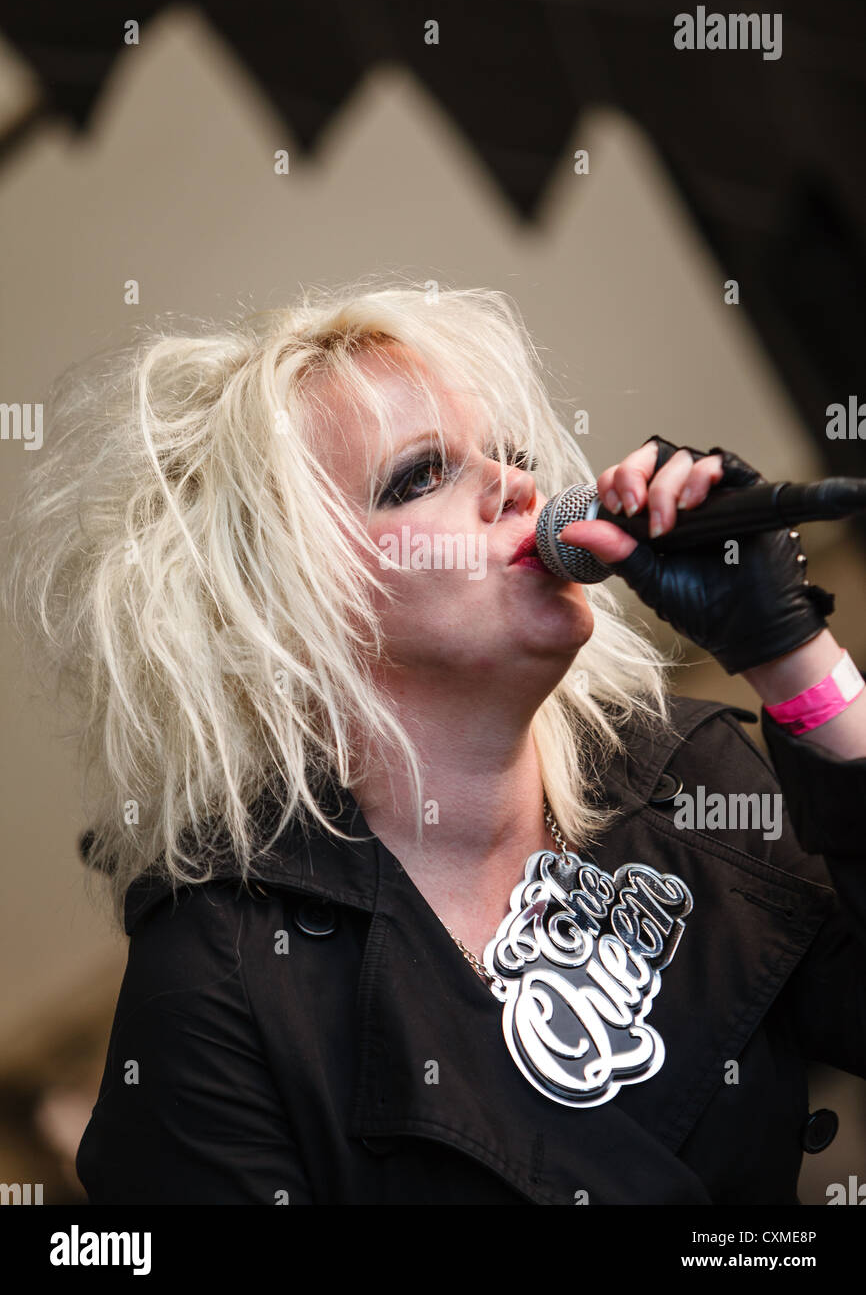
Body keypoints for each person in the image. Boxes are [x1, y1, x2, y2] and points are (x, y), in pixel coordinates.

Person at [5, 279, 865, 1205]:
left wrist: (791, 656)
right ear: (289, 613)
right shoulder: (222, 994)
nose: (516, 486)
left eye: (510, 453)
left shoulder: (677, 774)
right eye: (420, 475)